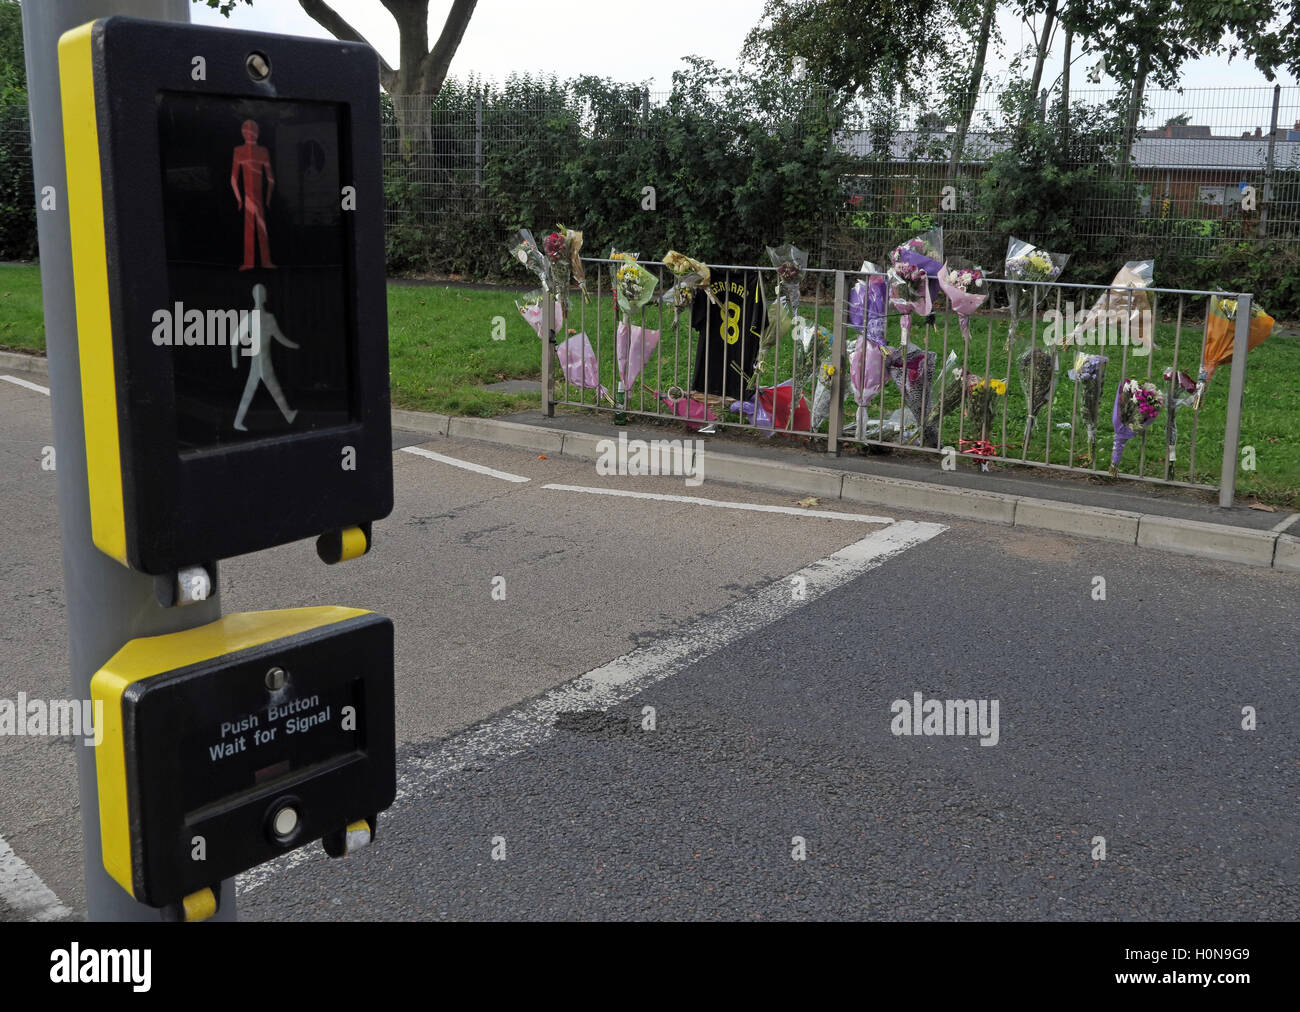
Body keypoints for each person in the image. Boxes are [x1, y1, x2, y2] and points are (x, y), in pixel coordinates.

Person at [232, 284, 298, 431]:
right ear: (262, 296)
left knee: (264, 390)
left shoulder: (259, 318)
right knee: (271, 389)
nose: (266, 295)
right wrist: (293, 345)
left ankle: (288, 415)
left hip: (261, 363)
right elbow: (235, 341)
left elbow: (234, 342)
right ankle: (288, 415)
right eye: (264, 293)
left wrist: (235, 362)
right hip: (260, 363)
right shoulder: (264, 318)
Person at [230, 119, 276, 270]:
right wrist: (267, 199)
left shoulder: (240, 151)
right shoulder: (261, 151)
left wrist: (239, 199)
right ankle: (262, 261)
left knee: (253, 229)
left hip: (249, 197)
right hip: (256, 197)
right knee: (260, 228)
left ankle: (252, 262)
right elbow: (271, 180)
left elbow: (233, 179)